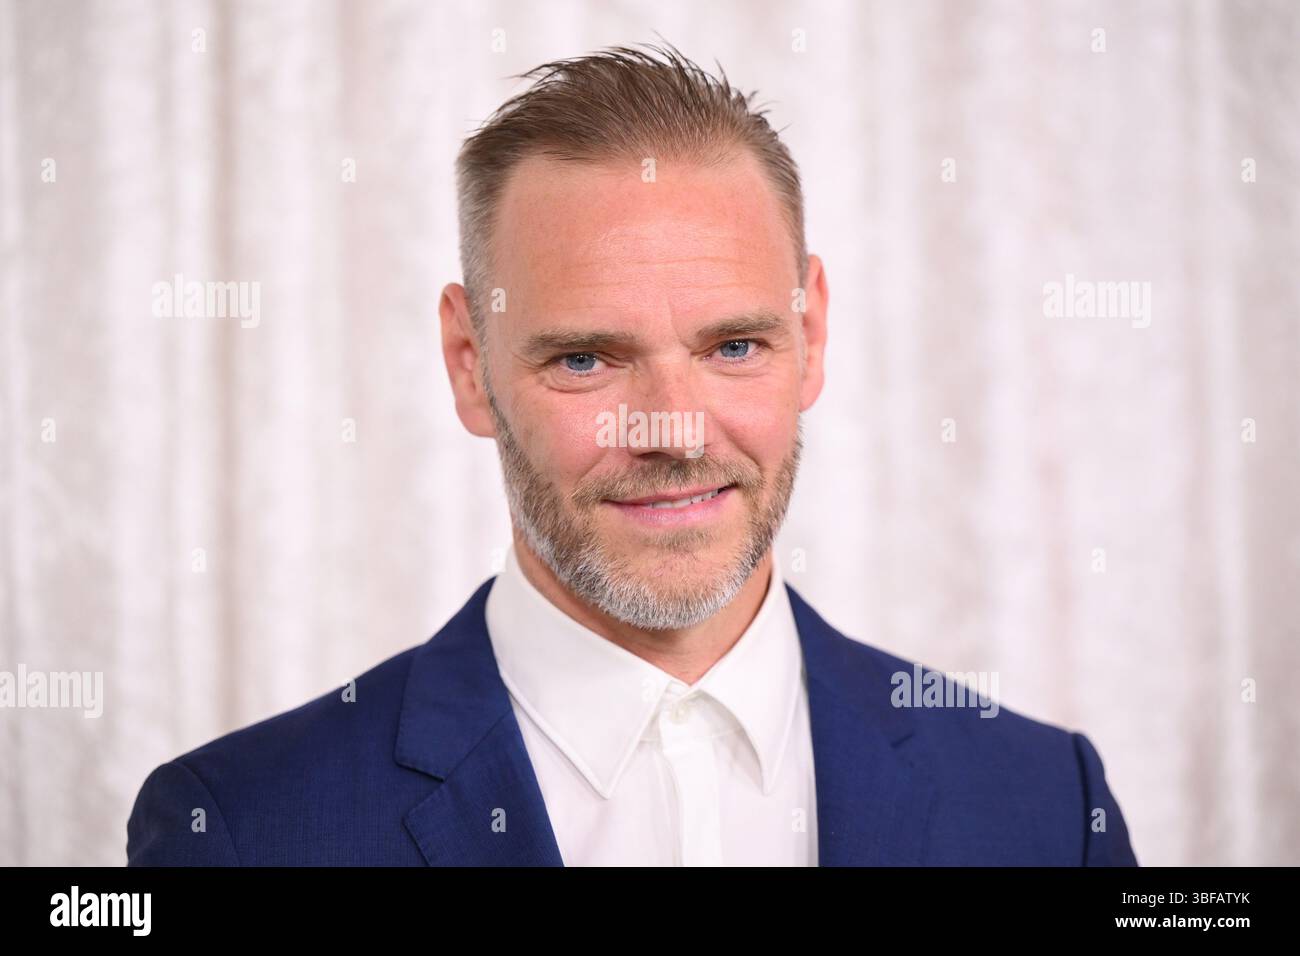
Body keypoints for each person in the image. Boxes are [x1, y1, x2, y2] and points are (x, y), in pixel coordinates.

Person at [127, 42, 1137, 866]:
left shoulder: (1047, 807)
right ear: (470, 364)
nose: (673, 430)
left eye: (733, 346)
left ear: (811, 335)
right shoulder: (242, 830)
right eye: (585, 358)